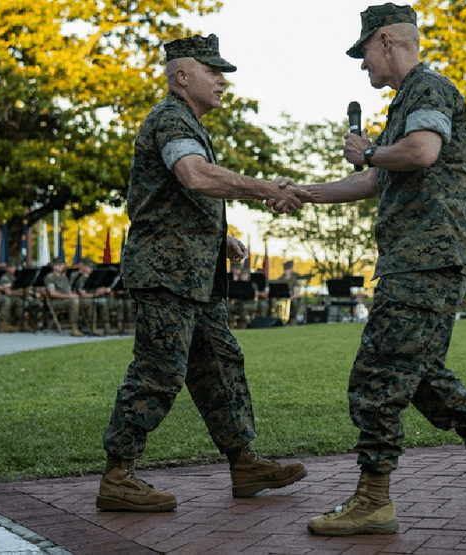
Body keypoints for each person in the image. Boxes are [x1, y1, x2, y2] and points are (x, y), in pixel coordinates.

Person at [294, 4, 466, 536]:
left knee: (376, 376)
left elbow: (422, 152)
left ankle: (373, 500)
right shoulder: (408, 99)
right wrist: (307, 193)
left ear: (386, 41)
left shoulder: (428, 89)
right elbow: (380, 178)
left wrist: (369, 152)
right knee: (422, 375)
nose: (363, 64)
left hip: (423, 260)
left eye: (364, 52)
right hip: (424, 259)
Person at [98, 33, 313, 513]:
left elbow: (176, 199)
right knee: (158, 372)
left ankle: (244, 463)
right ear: (181, 76)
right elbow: (193, 175)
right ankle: (117, 476)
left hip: (196, 278)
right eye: (212, 71)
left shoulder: (188, 122)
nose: (222, 80)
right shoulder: (171, 118)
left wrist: (220, 237)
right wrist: (266, 188)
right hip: (167, 276)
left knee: (220, 366)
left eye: (223, 72)